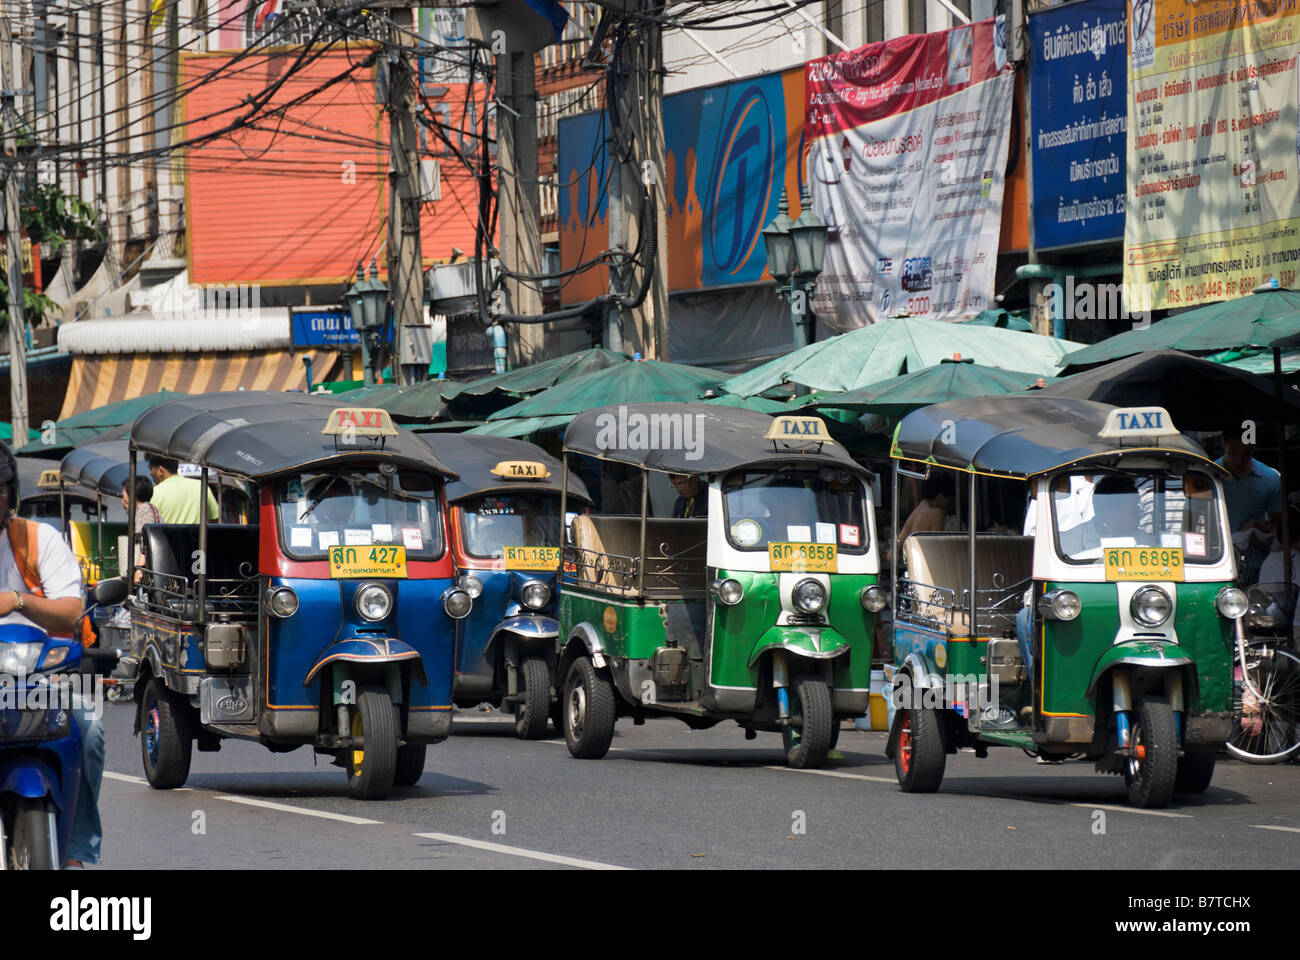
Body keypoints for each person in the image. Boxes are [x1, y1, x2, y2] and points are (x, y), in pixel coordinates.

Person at [0, 443, 100, 867]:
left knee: (89, 727)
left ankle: (76, 852)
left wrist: (18, 601)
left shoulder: (39, 539)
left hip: (38, 681)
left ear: (10, 492)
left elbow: (71, 612)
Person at [1216, 430, 1282, 583]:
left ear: (1254, 447)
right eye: (1233, 452)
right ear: (1223, 443)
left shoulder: (1270, 478)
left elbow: (1278, 529)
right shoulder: (1209, 475)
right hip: (1217, 563)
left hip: (1256, 567)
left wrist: (1258, 531)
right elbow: (1192, 523)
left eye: (1247, 454)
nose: (1240, 460)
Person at [147, 455, 218, 524]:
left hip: (166, 536)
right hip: (197, 536)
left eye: (151, 469)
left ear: (160, 470)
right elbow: (214, 519)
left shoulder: (153, 492)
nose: (150, 473)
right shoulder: (201, 487)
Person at [895, 474, 954, 556]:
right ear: (940, 496)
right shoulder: (937, 514)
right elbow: (938, 550)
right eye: (948, 499)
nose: (948, 504)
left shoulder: (916, 512)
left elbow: (890, 555)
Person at [122, 476, 161, 576]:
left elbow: (145, 543)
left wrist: (138, 570)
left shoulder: (144, 510)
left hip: (152, 567)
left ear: (132, 496)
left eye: (124, 497)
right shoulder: (150, 507)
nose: (122, 501)